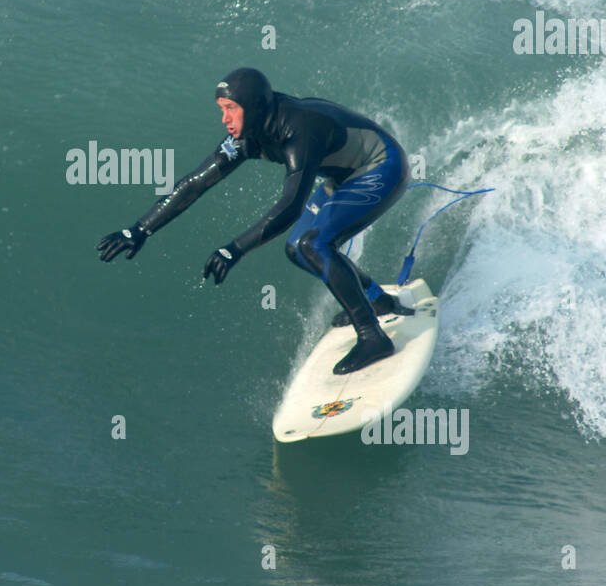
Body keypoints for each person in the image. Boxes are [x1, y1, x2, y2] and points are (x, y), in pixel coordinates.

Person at [97, 67, 412, 375]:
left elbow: (290, 208)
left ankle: (374, 338)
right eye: (222, 110)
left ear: (256, 107)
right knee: (298, 249)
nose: (225, 119)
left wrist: (235, 249)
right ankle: (377, 300)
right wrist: (140, 229)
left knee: (312, 244)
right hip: (343, 176)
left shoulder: (298, 130)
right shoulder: (246, 136)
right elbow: (194, 184)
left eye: (232, 109)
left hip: (380, 168)